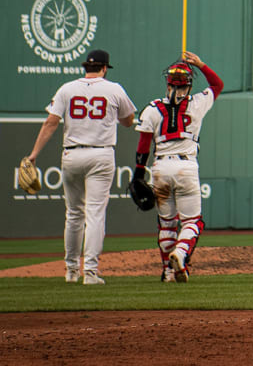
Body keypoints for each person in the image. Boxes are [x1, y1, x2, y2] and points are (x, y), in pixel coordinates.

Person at [24, 49, 137, 284]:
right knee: (95, 214)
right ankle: (92, 272)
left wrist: (34, 154)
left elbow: (51, 122)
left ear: (86, 67)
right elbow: (128, 121)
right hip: (101, 154)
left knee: (73, 214)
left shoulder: (67, 88)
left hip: (72, 155)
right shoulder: (114, 88)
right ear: (104, 68)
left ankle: (71, 270)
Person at [134, 51, 222, 282]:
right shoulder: (197, 103)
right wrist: (200, 64)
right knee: (193, 222)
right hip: (186, 166)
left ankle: (168, 272)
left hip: (161, 168)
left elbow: (143, 146)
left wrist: (137, 175)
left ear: (168, 82)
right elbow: (217, 84)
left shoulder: (152, 109)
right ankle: (181, 254)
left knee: (166, 224)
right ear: (189, 85)